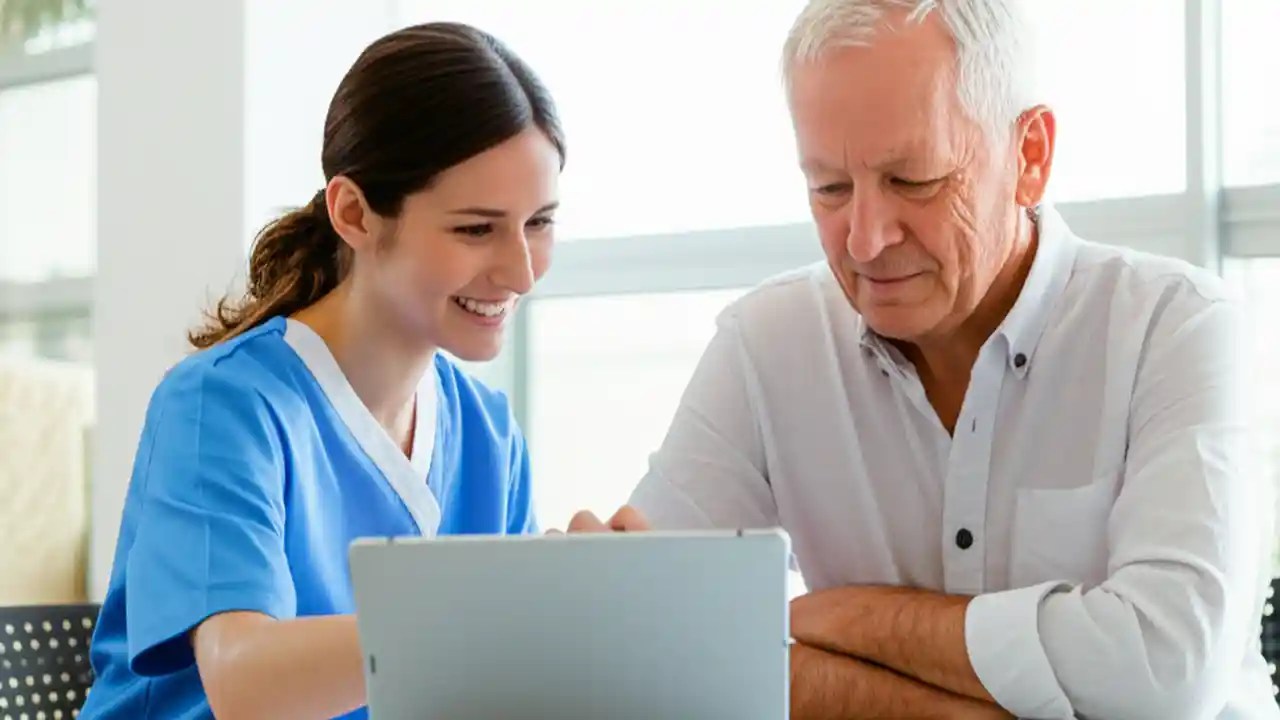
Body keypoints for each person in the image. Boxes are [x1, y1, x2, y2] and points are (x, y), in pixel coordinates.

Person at [569, 1, 1278, 718]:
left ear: (1029, 157)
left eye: (913, 181)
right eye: (830, 189)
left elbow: (1168, 670)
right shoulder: (767, 344)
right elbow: (649, 636)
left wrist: (845, 618)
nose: (865, 240)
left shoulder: (1176, 327)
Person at [80, 22, 563, 720]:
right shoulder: (221, 405)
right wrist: (497, 616)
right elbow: (245, 682)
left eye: (539, 222)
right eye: (475, 229)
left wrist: (585, 611)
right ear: (354, 214)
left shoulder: (488, 435)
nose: (521, 271)